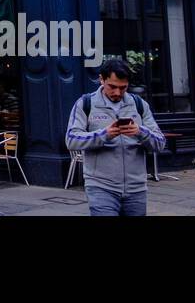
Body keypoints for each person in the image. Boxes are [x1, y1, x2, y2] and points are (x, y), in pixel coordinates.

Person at [65, 57, 166, 216]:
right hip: (101, 187)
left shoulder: (139, 105)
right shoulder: (86, 104)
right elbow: (71, 140)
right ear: (101, 79)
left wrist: (140, 132)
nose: (117, 92)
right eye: (112, 86)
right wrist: (104, 134)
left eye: (123, 88)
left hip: (136, 188)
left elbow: (160, 143)